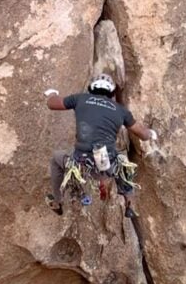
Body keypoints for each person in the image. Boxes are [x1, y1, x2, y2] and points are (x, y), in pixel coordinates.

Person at [45, 73, 157, 217]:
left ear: (91, 88)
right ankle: (129, 203)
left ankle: (58, 201)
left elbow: (52, 103)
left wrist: (53, 93)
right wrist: (151, 133)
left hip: (82, 165)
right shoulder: (121, 110)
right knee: (122, 163)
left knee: (56, 158)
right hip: (107, 165)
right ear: (111, 92)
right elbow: (142, 134)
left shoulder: (80, 99)